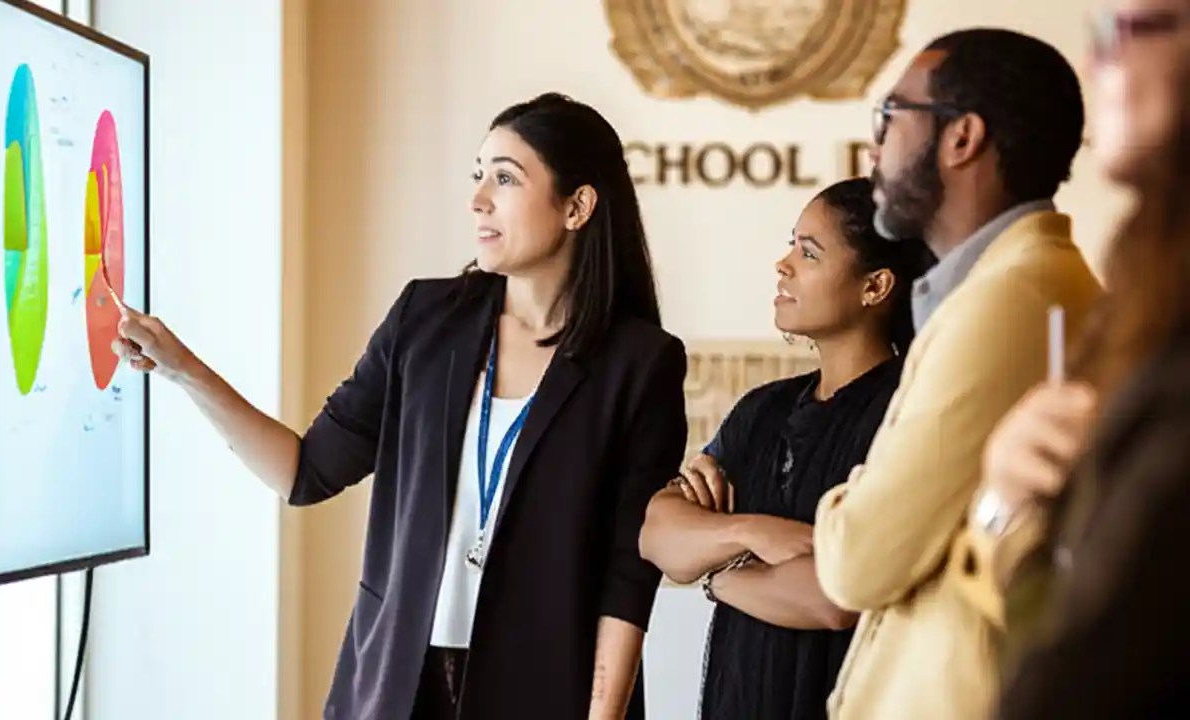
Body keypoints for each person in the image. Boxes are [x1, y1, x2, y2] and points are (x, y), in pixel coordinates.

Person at [112, 92, 688, 720]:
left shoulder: (640, 364)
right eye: (478, 175)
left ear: (577, 206)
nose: (478, 200)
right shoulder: (426, 320)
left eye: (505, 178)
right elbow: (304, 472)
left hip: (550, 689)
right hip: (397, 686)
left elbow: (626, 581)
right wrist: (185, 371)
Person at [809, 29, 1103, 720]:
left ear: (961, 137)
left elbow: (858, 563)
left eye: (889, 116)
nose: (873, 148)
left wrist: (847, 496)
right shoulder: (1013, 285)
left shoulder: (1012, 298)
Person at [948, 2, 1190, 716]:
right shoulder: (1146, 287)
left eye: (1127, 32)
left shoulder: (1021, 287)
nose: (1096, 67)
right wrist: (1003, 506)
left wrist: (1009, 524)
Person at [638, 177, 933, 720]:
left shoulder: (905, 410)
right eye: (791, 244)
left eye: (808, 252)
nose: (783, 264)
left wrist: (718, 570)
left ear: (875, 287)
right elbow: (658, 535)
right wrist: (753, 533)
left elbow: (833, 596)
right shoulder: (763, 409)